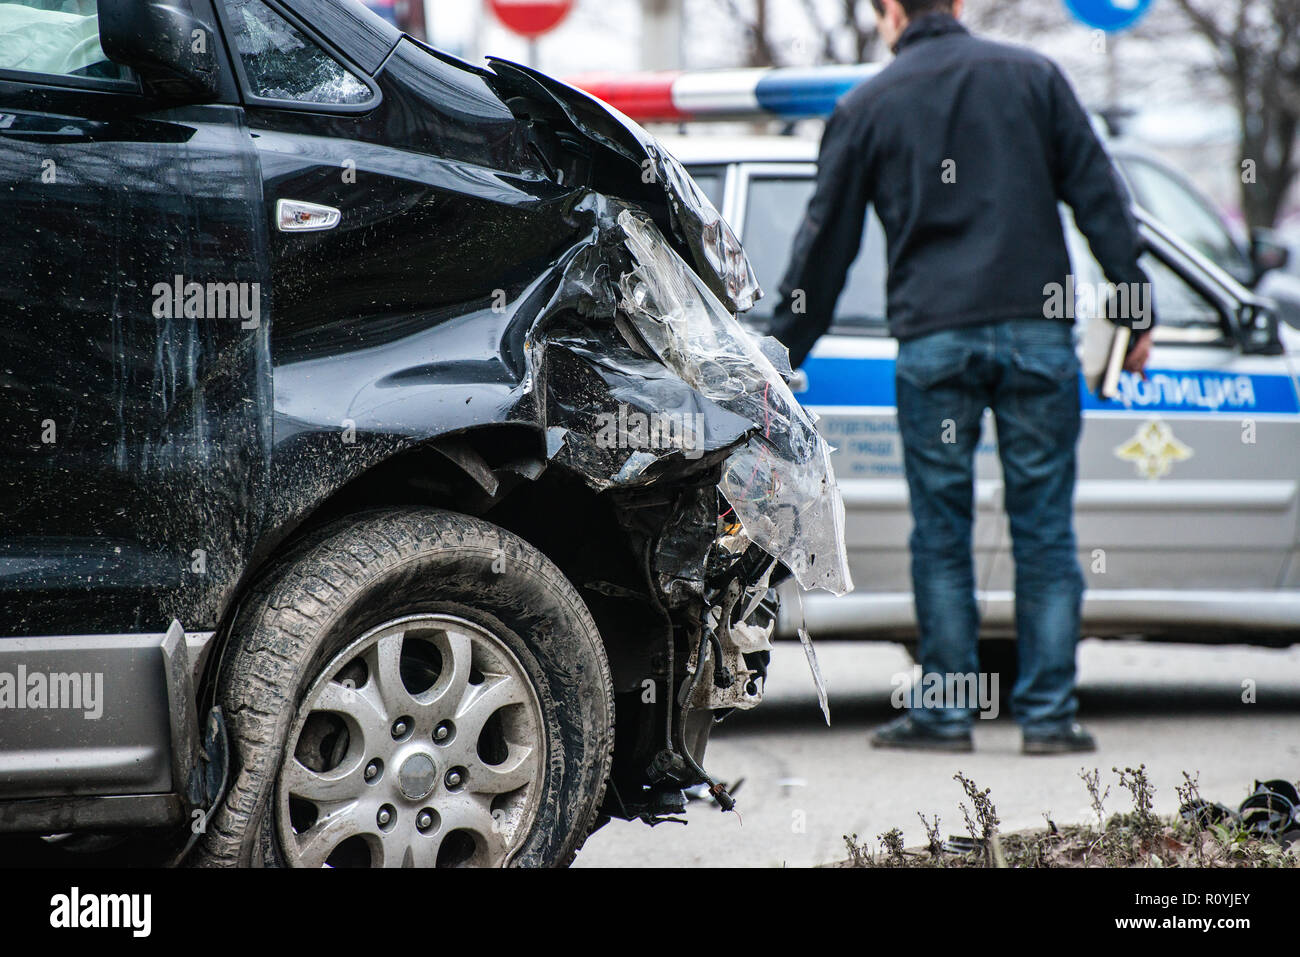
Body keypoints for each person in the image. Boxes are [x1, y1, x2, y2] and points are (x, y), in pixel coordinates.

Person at [768, 0, 1154, 754]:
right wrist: (1135, 311)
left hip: (934, 343)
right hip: (1037, 336)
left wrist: (781, 358)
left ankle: (946, 712)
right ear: (957, 4)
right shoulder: (1035, 76)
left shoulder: (866, 105)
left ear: (889, 14)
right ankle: (1048, 717)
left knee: (941, 533)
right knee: (1044, 529)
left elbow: (824, 251)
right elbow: (1102, 199)